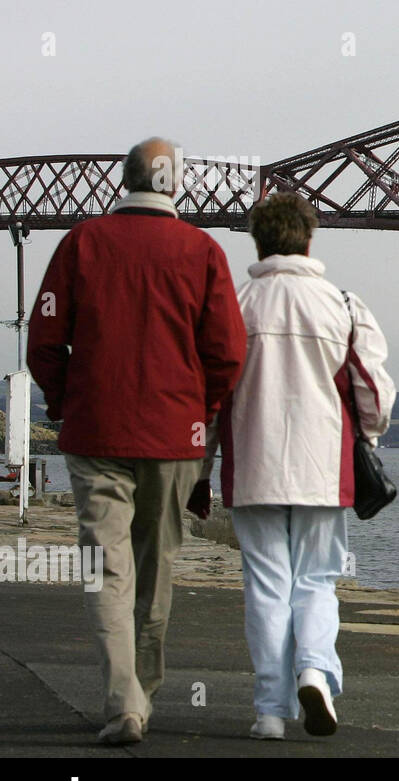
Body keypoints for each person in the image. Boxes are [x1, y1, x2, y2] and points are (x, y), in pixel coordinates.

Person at [27, 137, 246, 745]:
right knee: (156, 567)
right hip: (176, 435)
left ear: (123, 180)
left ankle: (124, 700)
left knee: (106, 566)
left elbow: (43, 340)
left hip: (95, 430)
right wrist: (205, 411)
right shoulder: (203, 250)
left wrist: (66, 398)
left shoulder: (80, 243)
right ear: (175, 185)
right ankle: (141, 695)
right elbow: (228, 351)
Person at [193, 191, 394, 739]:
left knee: (266, 584)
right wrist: (368, 437)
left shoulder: (234, 306)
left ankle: (269, 712)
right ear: (310, 237)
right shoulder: (343, 305)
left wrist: (201, 472)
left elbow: (209, 398)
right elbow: (372, 392)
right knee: (317, 581)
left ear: (258, 240)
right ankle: (315, 671)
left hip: (252, 464)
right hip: (322, 468)